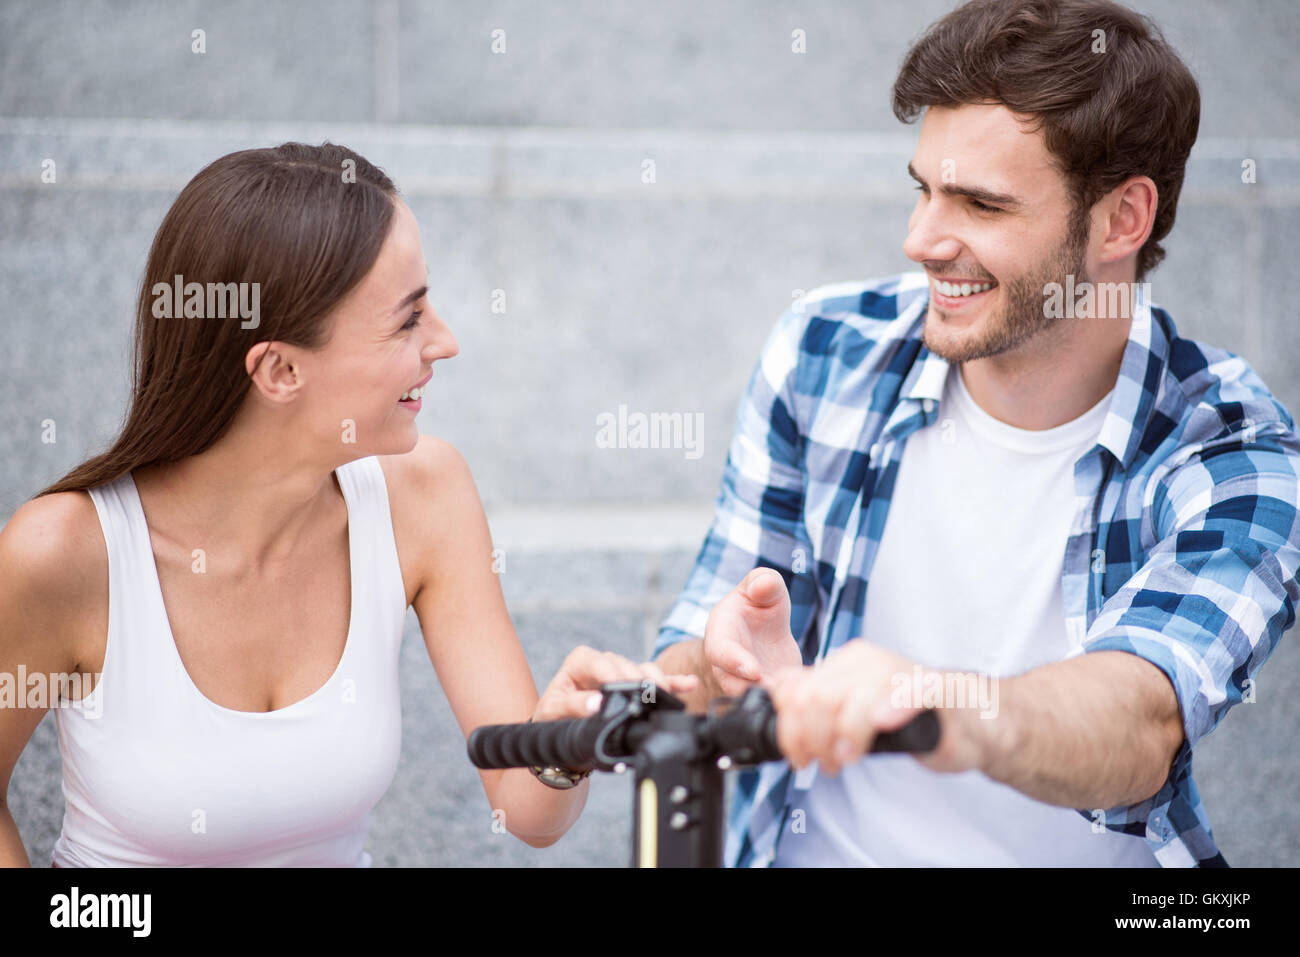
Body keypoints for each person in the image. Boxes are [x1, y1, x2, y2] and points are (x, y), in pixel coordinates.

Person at [654, 0, 1300, 867]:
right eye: (923, 189)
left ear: (1122, 219)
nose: (920, 240)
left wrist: (935, 706)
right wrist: (712, 669)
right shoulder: (826, 349)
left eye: (981, 204)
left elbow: (1141, 719)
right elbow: (698, 648)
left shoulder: (1232, 450)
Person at [0, 141, 694, 867]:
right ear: (280, 370)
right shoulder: (65, 554)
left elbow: (528, 812)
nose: (446, 342)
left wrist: (565, 740)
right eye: (407, 319)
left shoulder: (423, 495)